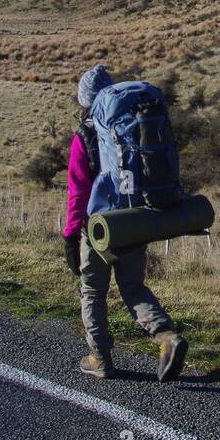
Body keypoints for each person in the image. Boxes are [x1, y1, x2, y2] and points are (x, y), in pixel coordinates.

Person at [62, 64, 188, 381]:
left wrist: (70, 236)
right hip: (134, 214)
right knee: (132, 285)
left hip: (101, 225)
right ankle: (166, 337)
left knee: (92, 290)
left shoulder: (84, 137)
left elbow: (79, 192)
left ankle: (100, 358)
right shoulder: (131, 126)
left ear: (84, 101)